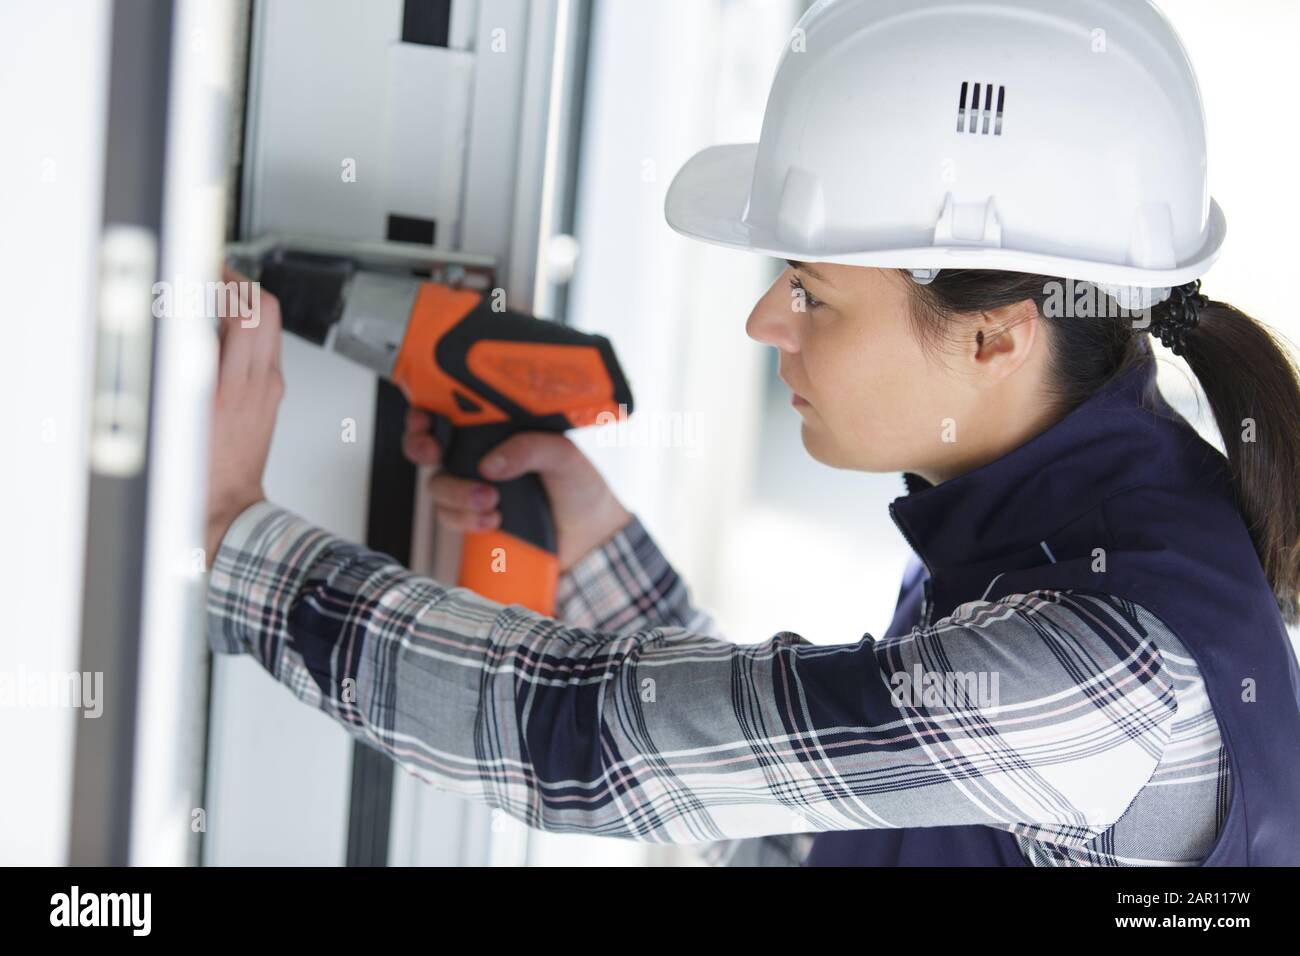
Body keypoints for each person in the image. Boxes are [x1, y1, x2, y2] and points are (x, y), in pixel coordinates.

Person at [204, 0, 1300, 866]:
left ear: (993, 338)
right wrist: (597, 550)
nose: (764, 319)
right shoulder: (1060, 519)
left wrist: (229, 534)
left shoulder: (1091, 675)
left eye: (812, 291)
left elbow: (579, 740)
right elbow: (828, 836)